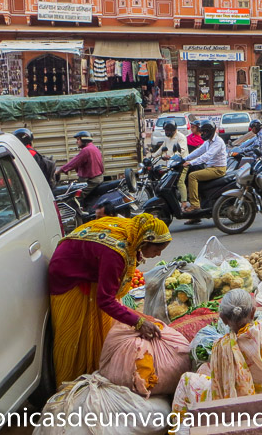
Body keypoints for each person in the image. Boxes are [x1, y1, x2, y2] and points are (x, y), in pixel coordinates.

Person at [48, 214, 171, 384]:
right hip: (67, 274)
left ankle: (95, 368)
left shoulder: (132, 232)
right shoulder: (115, 254)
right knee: (76, 336)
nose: (158, 255)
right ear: (144, 242)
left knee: (100, 326)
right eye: (157, 250)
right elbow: (105, 300)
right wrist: (138, 322)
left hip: (87, 268)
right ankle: (71, 382)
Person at [209, 289, 262, 400]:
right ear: (253, 312)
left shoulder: (221, 347)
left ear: (223, 319)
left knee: (187, 379)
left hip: (240, 405)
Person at [183, 121, 227, 222]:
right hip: (210, 167)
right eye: (202, 132)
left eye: (204, 132)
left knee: (192, 176)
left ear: (210, 132)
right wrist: (185, 159)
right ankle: (196, 216)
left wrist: (191, 163)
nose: (202, 134)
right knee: (195, 182)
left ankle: (195, 205)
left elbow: (207, 156)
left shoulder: (218, 142)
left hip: (218, 169)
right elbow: (198, 151)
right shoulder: (208, 141)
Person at [56, 131, 104, 198]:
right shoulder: (93, 148)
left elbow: (74, 163)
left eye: (78, 139)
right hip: (95, 179)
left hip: (91, 181)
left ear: (84, 140)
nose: (77, 142)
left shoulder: (86, 150)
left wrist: (60, 170)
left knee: (75, 196)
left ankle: (79, 208)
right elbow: (76, 160)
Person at [157, 121, 189, 203]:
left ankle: (184, 202)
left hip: (182, 164)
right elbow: (161, 149)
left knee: (179, 182)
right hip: (171, 165)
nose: (166, 132)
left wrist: (170, 157)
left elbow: (181, 151)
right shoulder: (167, 139)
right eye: (165, 130)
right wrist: (152, 156)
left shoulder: (181, 137)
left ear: (173, 130)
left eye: (168, 130)